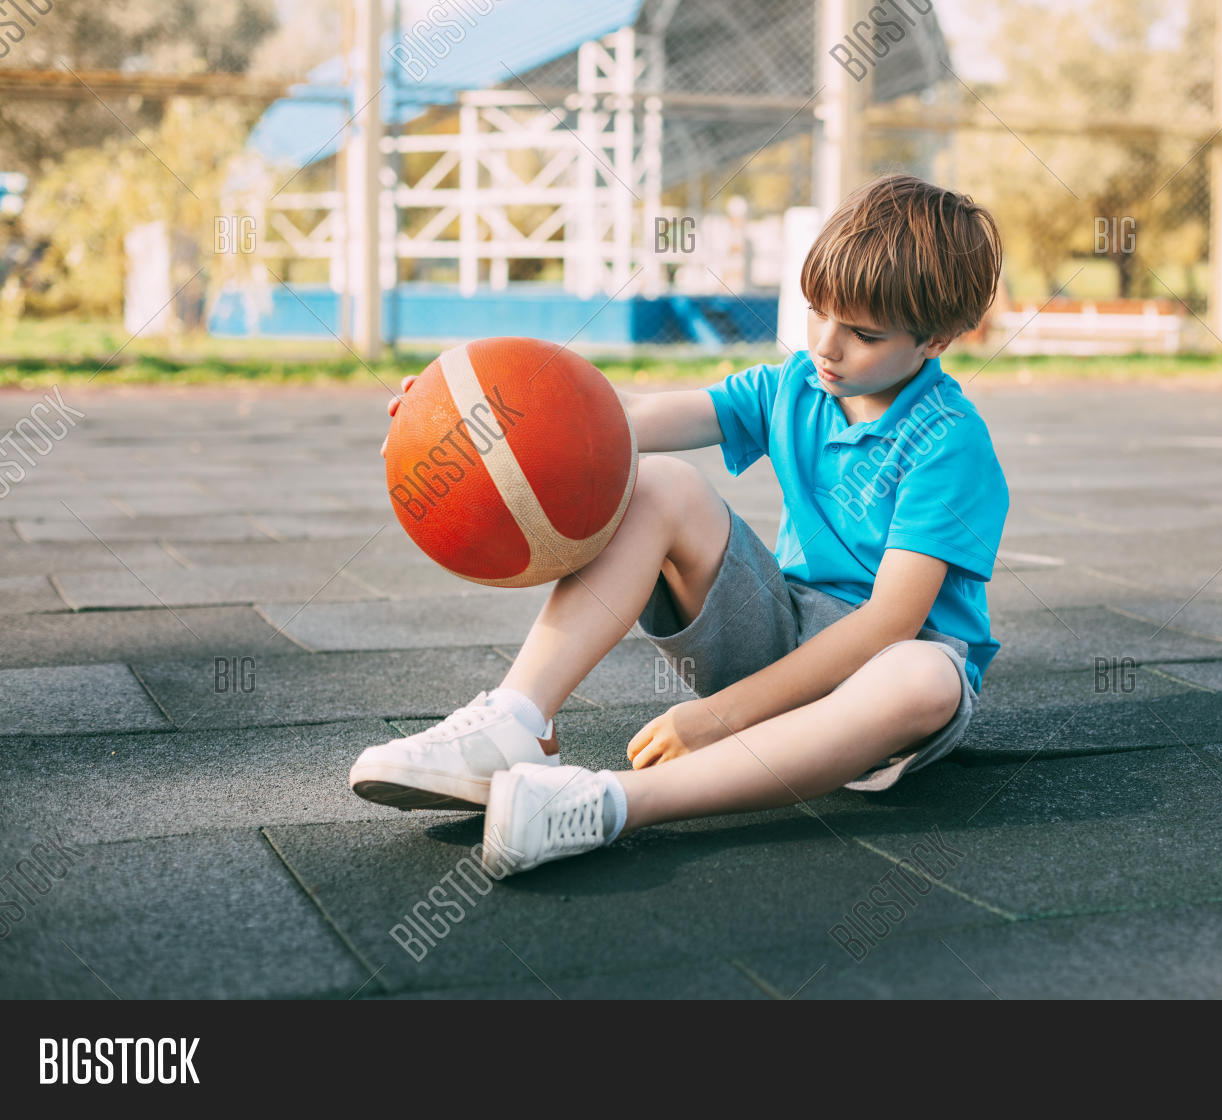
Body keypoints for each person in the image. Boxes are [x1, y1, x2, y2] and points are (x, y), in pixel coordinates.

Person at [349, 173, 1008, 878]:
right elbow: (616, 420)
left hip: (880, 676)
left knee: (927, 679)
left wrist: (720, 715)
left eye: (864, 334)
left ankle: (606, 804)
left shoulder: (948, 441)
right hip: (784, 632)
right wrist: (459, 422)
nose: (827, 345)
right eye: (818, 312)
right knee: (660, 482)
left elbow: (889, 624)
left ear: (937, 339)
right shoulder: (794, 386)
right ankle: (517, 721)